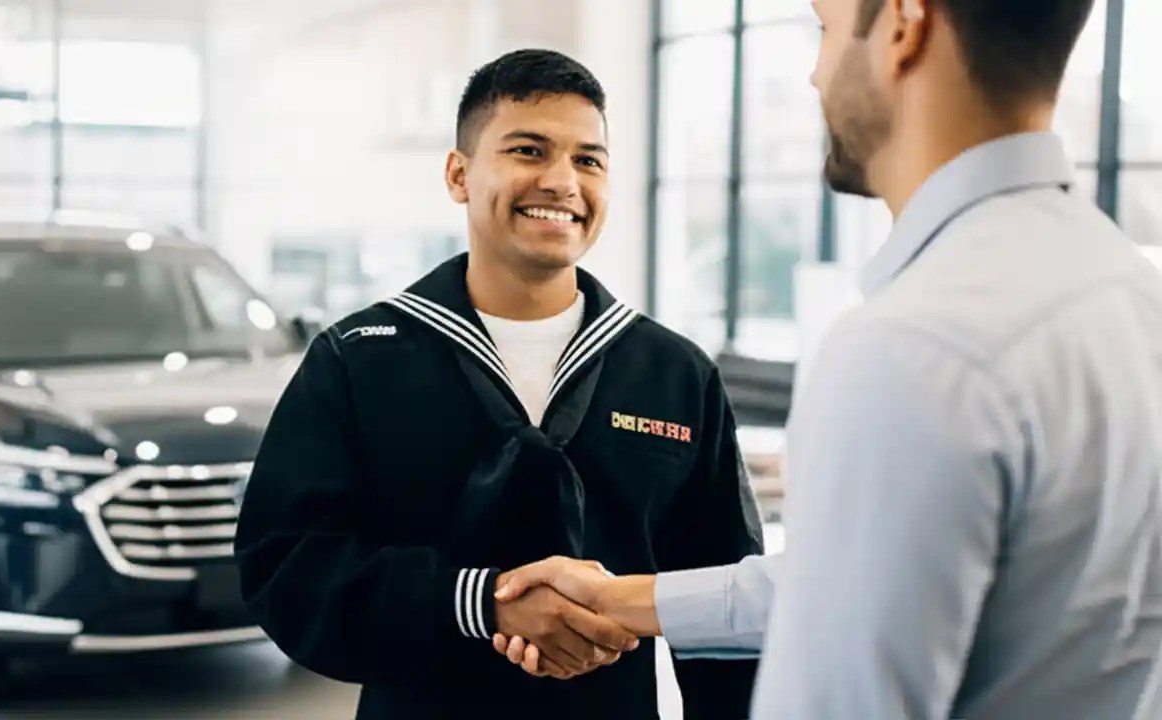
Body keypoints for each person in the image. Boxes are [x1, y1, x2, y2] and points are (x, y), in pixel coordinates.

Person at [492, 1, 1162, 718]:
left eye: (826, 29)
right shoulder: (1133, 296)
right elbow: (865, 580)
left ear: (904, 25)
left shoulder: (912, 347)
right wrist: (625, 598)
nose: (814, 76)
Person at [233, 48, 765, 719]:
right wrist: (479, 603)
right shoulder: (361, 360)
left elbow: (724, 604)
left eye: (588, 160)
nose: (562, 181)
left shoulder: (673, 374)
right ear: (459, 174)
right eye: (528, 150)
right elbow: (288, 568)